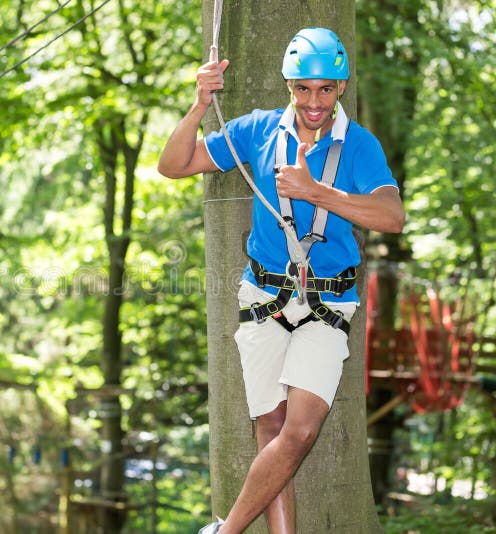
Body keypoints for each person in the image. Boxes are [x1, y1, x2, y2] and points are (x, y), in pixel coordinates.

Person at [158, 28, 405, 533]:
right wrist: (199, 104)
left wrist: (318, 192)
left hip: (329, 305)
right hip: (264, 297)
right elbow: (174, 165)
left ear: (340, 88)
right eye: (303, 88)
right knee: (270, 431)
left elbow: (391, 216)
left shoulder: (357, 146)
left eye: (326, 89)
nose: (314, 102)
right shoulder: (259, 130)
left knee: (300, 430)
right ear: (289, 85)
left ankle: (225, 532)